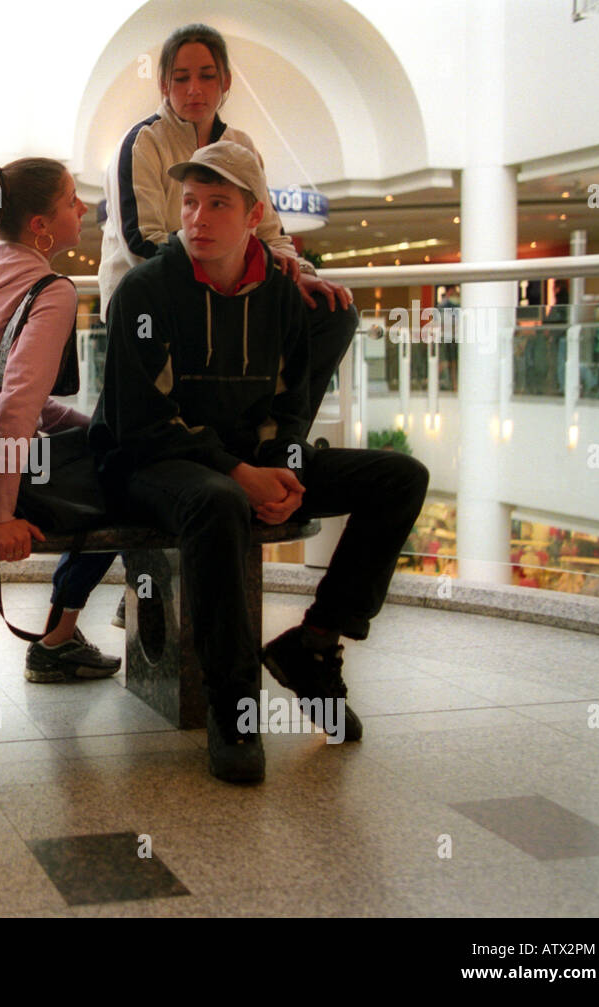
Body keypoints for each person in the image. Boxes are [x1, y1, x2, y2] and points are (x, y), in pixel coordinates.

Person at [89, 141, 428, 784]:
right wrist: (240, 474)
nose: (198, 218)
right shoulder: (146, 291)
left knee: (399, 477)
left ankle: (315, 643)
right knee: (217, 500)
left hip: (242, 459)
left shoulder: (278, 293)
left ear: (254, 214)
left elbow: (290, 402)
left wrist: (282, 468)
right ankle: (236, 709)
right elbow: (142, 423)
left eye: (218, 203)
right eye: (189, 202)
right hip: (149, 463)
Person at [98, 22, 356, 428]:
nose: (194, 89)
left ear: (226, 81)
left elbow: (269, 230)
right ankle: (215, 452)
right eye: (180, 79)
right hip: (153, 296)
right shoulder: (143, 142)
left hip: (229, 292)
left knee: (331, 312)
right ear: (164, 85)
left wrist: (299, 273)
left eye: (206, 76)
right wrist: (218, 276)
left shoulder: (241, 145)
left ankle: (283, 442)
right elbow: (138, 244)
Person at [0, 158, 120, 683]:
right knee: (130, 484)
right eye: (69, 201)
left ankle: (75, 628)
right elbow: (13, 405)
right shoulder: (52, 289)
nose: (82, 208)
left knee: (111, 449)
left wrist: (89, 429)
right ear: (39, 225)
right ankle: (58, 641)